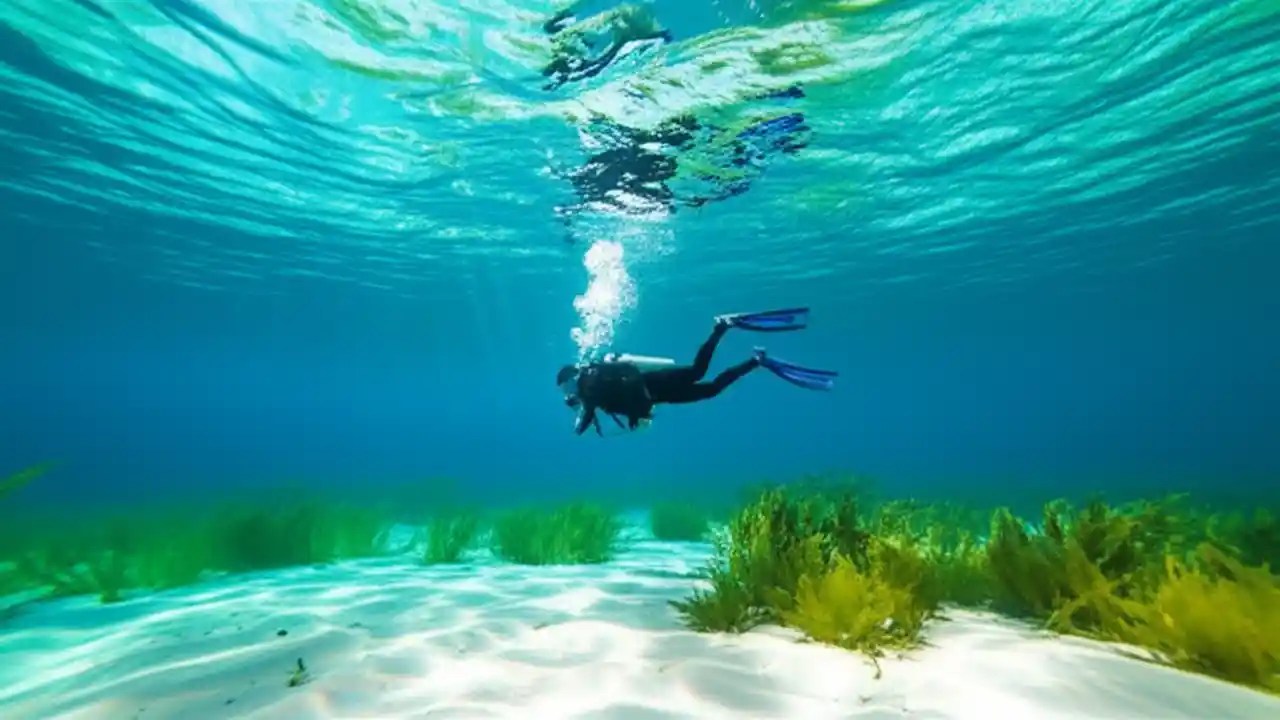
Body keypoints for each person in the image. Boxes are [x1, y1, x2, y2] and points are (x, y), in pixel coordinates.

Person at [557, 308, 837, 436]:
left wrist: (577, 414)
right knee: (708, 385)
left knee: (699, 374)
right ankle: (754, 359)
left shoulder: (588, 388)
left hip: (653, 385)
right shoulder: (589, 388)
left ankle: (725, 330)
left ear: (571, 379)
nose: (568, 393)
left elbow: (582, 428)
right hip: (655, 391)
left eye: (565, 388)